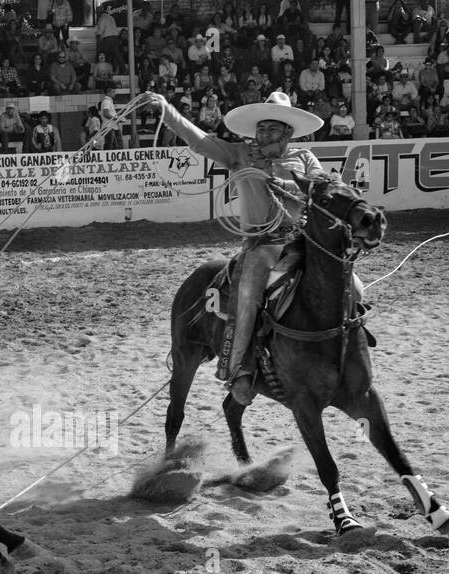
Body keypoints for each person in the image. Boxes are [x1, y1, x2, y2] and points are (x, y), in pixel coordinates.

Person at [146, 89, 360, 406]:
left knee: (354, 288)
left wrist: (285, 184)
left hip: (300, 241)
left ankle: (349, 349)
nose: (263, 133)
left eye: (271, 128)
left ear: (287, 132)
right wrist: (168, 112)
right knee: (247, 293)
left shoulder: (303, 159)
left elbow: (320, 192)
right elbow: (200, 141)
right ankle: (239, 370)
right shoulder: (239, 155)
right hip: (261, 245)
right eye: (261, 128)